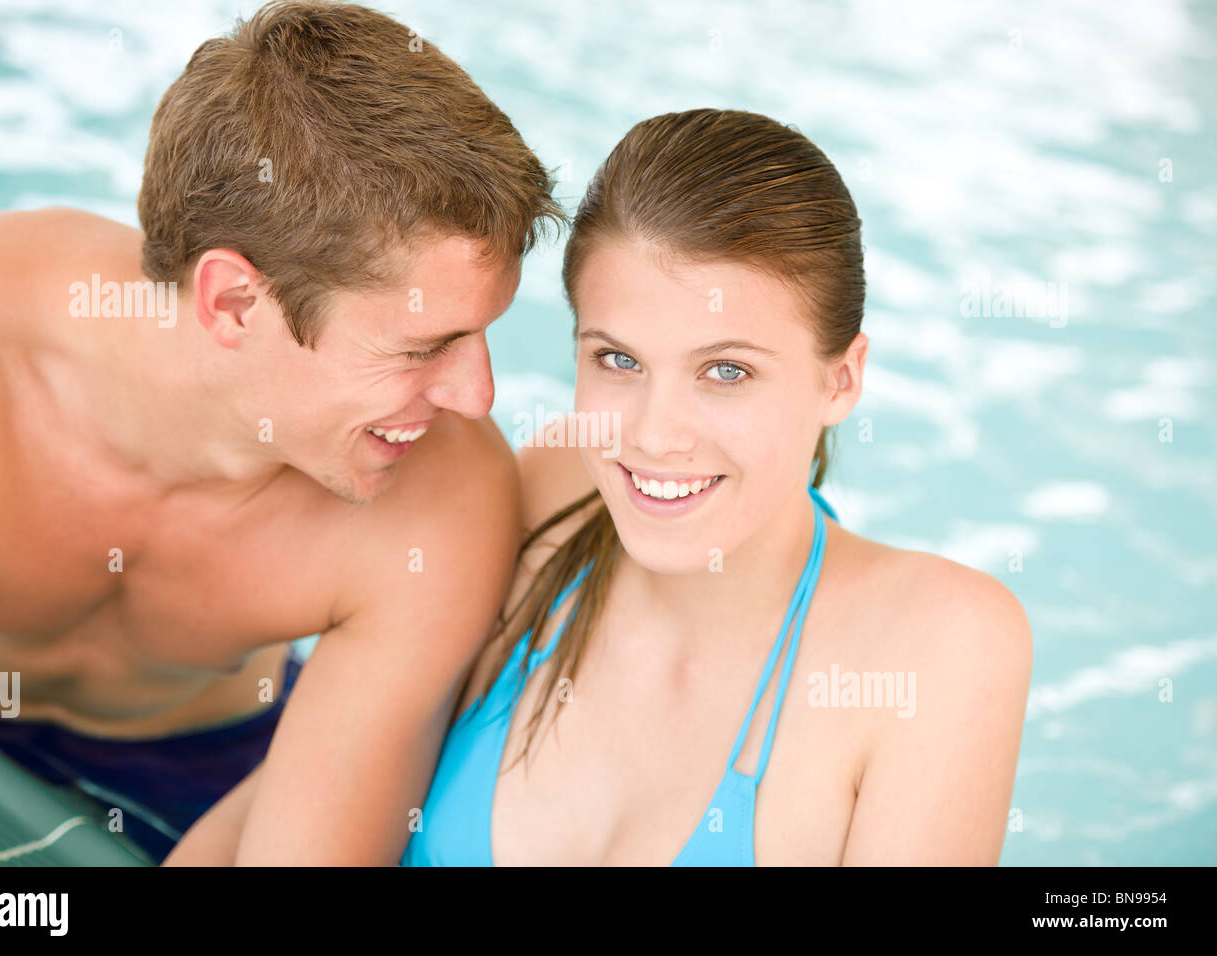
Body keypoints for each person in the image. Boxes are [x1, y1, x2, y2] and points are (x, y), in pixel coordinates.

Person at [0, 0, 564, 864]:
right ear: (234, 301)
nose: (476, 397)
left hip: (208, 770)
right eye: (422, 348)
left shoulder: (444, 503)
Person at [399, 109, 1033, 866]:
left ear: (842, 380)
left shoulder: (936, 644)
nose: (654, 435)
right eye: (618, 361)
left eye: (726, 371)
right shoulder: (553, 496)